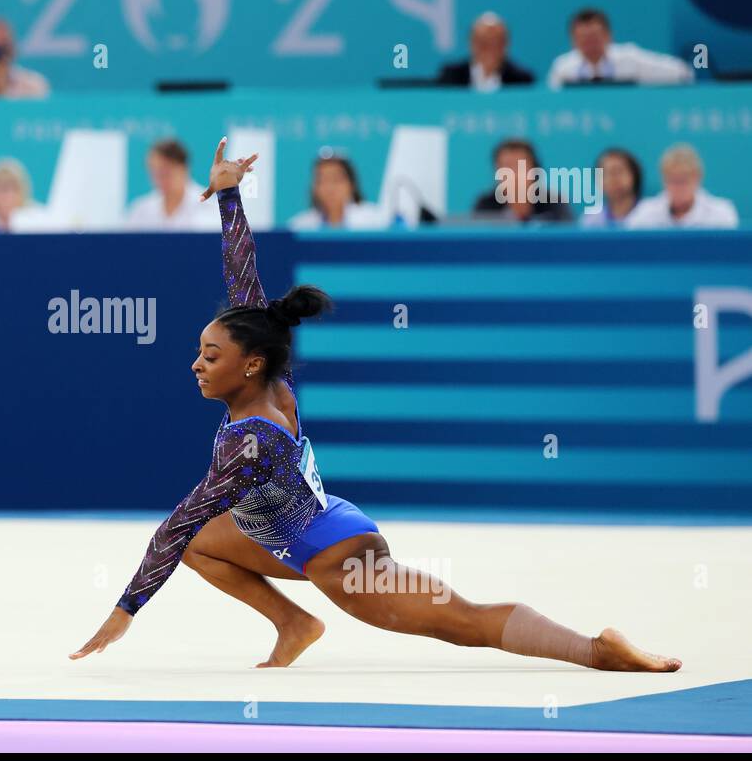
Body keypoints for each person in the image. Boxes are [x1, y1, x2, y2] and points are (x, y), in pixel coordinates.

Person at [71, 137, 682, 674]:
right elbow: (243, 280)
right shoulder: (268, 378)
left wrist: (123, 611)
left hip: (338, 557)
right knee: (204, 541)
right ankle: (294, 624)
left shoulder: (248, 439)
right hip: (297, 529)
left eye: (208, 355)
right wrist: (230, 198)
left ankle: (597, 649)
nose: (196, 365)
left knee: (463, 620)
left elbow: (174, 524)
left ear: (248, 363)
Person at [547, 9, 694, 88]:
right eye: (583, 39)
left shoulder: (631, 58)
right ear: (573, 41)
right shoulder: (562, 67)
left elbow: (682, 72)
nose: (589, 44)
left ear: (608, 36)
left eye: (594, 38)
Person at [625, 144, 738, 229]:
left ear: (698, 178)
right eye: (672, 181)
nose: (677, 187)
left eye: (683, 181)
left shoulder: (721, 213)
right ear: (663, 179)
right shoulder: (645, 212)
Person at [125, 139, 219, 231]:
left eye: (165, 172)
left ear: (184, 168)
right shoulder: (141, 211)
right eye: (154, 173)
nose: (160, 179)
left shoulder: (210, 208)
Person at [472, 138, 572, 223]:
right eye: (505, 167)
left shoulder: (553, 202)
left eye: (519, 166)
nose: (512, 174)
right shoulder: (485, 206)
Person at [436, 13, 534, 91]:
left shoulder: (522, 80)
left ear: (506, 44)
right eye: (483, 42)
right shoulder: (451, 77)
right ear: (471, 42)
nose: (490, 48)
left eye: (496, 42)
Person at [288, 155, 389, 229]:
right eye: (322, 181)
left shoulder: (375, 221)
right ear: (314, 188)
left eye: (336, 180)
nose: (330, 188)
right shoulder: (299, 226)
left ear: (351, 185)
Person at [581, 148, 643, 228]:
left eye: (619, 171)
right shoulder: (591, 220)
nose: (613, 179)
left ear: (634, 175)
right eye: (606, 173)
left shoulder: (650, 215)